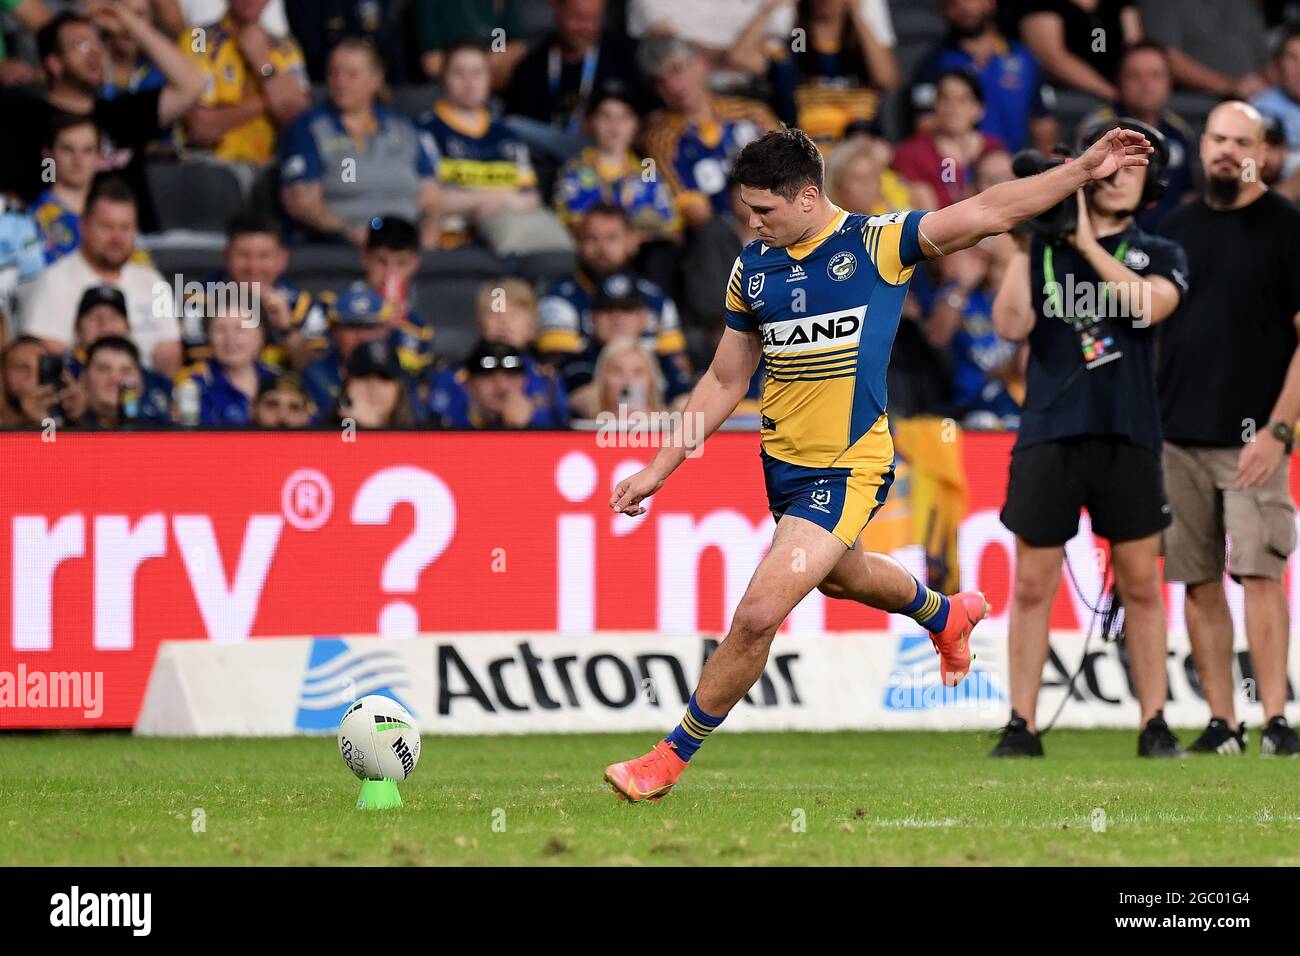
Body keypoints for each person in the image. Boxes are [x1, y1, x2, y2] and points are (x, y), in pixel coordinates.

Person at [603, 122, 1162, 799]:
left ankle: (667, 758)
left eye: (765, 210)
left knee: (757, 614)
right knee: (844, 578)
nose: (752, 223)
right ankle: (943, 615)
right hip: (782, 467)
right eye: (748, 210)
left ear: (808, 197)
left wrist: (1080, 171)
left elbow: (988, 211)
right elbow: (725, 380)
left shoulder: (876, 243)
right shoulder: (754, 265)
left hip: (850, 466)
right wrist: (658, 468)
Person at [990, 117, 1188, 758]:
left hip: (1128, 431)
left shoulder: (1160, 251)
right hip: (1050, 428)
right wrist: (1030, 237)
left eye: (1136, 168)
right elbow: (1009, 325)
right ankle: (1021, 724)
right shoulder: (1042, 249)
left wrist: (1083, 242)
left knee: (1139, 583)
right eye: (1115, 165)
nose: (1124, 177)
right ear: (1092, 172)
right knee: (1029, 584)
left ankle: (1153, 722)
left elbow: (1146, 308)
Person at [1157, 101, 1300, 756]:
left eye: (1240, 141)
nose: (1224, 150)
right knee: (1197, 577)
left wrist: (1278, 429)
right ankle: (1224, 723)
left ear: (1264, 153)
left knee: (1261, 573)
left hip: (1254, 439)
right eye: (1215, 137)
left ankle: (1275, 719)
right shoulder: (1175, 227)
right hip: (1177, 433)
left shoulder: (1286, 226)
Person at [0, 6, 205, 233]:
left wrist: (127, 20)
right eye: (82, 45)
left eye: (99, 44)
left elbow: (191, 85)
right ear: (54, 63)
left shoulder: (121, 113)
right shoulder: (20, 117)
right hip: (54, 248)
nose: (95, 53)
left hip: (136, 251)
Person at [279, 38, 441, 246]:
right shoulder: (308, 128)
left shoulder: (403, 127)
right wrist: (359, 238)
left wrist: (424, 249)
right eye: (334, 73)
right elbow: (302, 203)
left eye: (351, 75)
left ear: (376, 79)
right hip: (341, 246)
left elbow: (432, 198)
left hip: (405, 243)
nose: (341, 82)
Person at [18, 175, 182, 376]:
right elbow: (46, 357)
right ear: (83, 226)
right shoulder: (53, 281)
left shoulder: (153, 281)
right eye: (106, 226)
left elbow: (169, 352)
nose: (116, 237)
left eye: (125, 228)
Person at [417, 40, 565, 254]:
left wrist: (475, 201)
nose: (469, 82)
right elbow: (429, 200)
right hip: (447, 246)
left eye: (477, 73)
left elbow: (530, 198)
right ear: (443, 77)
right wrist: (495, 198)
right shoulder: (424, 131)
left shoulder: (508, 136)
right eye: (459, 73)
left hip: (508, 244)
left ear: (489, 79)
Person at [638, 35, 779, 229]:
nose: (673, 85)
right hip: (724, 239)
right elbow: (692, 210)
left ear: (701, 65)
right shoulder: (662, 139)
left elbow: (794, 166)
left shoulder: (752, 114)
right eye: (661, 81)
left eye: (677, 70)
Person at [180, 212, 327, 370]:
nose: (253, 267)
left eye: (264, 256)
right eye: (243, 255)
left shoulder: (303, 305)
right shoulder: (199, 302)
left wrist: (287, 330)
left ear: (282, 259)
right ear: (226, 256)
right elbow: (197, 368)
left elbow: (318, 377)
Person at [504, 0, 645, 163]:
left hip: (607, 149)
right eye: (577, 18)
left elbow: (646, 116)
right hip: (548, 154)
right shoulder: (532, 65)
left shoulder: (627, 55)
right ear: (556, 9)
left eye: (593, 19)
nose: (585, 27)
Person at [1077, 41, 1199, 230]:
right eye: (1135, 76)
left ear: (1169, 83)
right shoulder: (1098, 129)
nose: (1146, 85)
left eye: (1155, 76)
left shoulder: (1180, 131)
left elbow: (1188, 195)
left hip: (1167, 239)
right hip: (1107, 235)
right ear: (1119, 81)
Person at [908, 0, 1055, 154]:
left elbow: (1044, 125)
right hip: (957, 169)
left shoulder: (1024, 58)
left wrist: (1048, 171)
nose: (964, 7)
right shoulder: (934, 63)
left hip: (1013, 168)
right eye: (954, 4)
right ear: (944, 11)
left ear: (991, 3)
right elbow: (924, 124)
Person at [179, 0, 310, 164]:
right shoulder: (198, 39)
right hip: (211, 165)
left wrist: (263, 64)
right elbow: (201, 128)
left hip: (269, 168)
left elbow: (298, 118)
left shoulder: (287, 47)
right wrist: (271, 98)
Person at [429, 279, 568, 428]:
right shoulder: (453, 376)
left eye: (514, 314)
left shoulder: (547, 381)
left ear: (531, 326)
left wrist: (530, 418)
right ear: (479, 323)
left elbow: (561, 428)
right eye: (494, 314)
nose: (503, 322)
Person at [554, 85, 679, 242]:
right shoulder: (574, 169)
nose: (615, 125)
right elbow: (565, 226)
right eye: (605, 116)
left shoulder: (647, 170)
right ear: (590, 122)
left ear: (637, 125)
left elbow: (672, 229)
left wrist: (632, 240)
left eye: (624, 117)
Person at [893, 69, 1005, 208]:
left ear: (979, 109)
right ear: (935, 104)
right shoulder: (912, 154)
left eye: (962, 100)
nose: (952, 107)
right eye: (945, 98)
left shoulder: (994, 150)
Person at [174, 299, 278, 426]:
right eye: (220, 329)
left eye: (240, 329)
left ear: (261, 335)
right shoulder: (191, 384)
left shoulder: (280, 381)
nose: (230, 339)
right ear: (208, 336)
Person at [1016, 0, 1143, 101]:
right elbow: (1051, 58)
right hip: (1065, 99)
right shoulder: (1038, 4)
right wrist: (1111, 93)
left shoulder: (1120, 4)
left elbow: (1136, 50)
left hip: (1121, 93)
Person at [30, 114, 100, 264]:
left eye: (87, 150)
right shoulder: (34, 218)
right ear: (48, 154)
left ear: (98, 157)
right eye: (68, 149)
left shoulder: (115, 214)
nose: (78, 160)